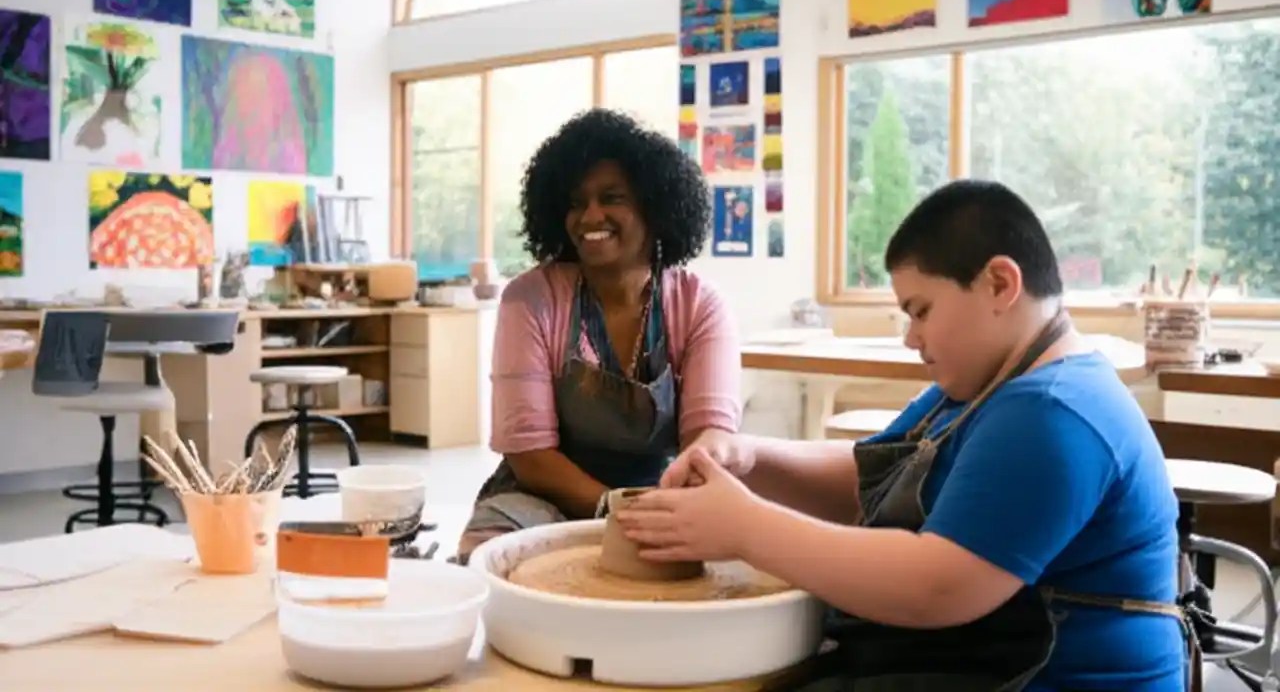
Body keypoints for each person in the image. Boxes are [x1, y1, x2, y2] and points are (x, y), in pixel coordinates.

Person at [618, 180, 1188, 691]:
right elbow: (869, 477)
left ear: (999, 283)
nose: (910, 338)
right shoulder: (984, 385)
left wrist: (744, 528)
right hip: (970, 657)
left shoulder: (1054, 411)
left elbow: (936, 586)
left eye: (921, 310)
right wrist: (750, 458)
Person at [457, 109, 742, 562]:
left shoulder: (699, 305)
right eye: (576, 202)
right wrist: (614, 509)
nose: (591, 215)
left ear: (656, 207)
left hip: (658, 494)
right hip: (537, 496)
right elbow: (529, 455)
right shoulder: (530, 298)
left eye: (612, 197)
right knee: (488, 554)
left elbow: (711, 439)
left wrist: (664, 507)